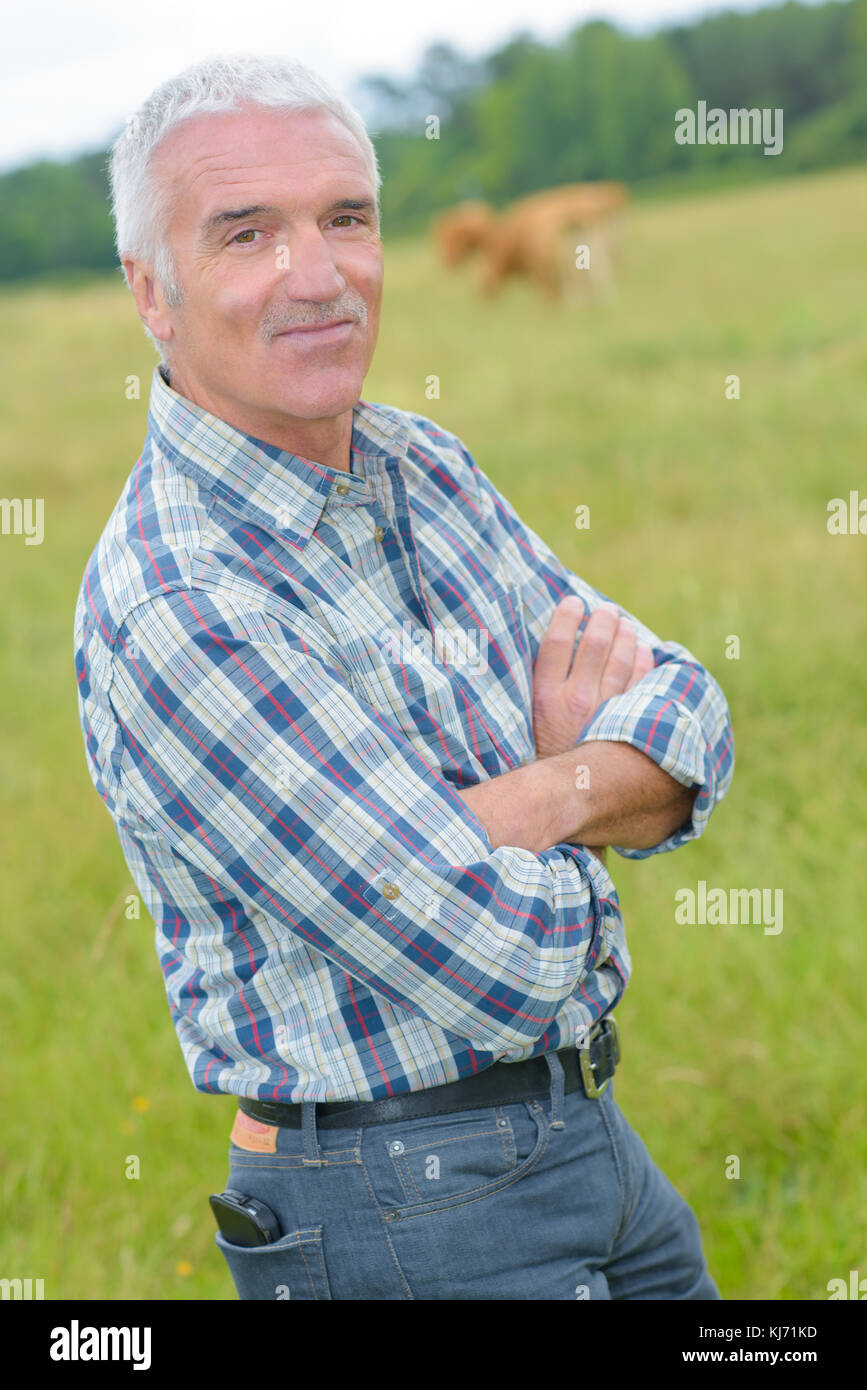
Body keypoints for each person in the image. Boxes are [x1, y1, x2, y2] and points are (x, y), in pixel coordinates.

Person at [73, 53, 734, 1301]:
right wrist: (597, 782)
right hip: (396, 1207)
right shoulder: (182, 603)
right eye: (246, 233)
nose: (315, 276)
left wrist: (531, 801)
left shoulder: (419, 464)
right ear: (151, 292)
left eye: (346, 219)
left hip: (590, 1137)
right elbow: (507, 960)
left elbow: (694, 716)